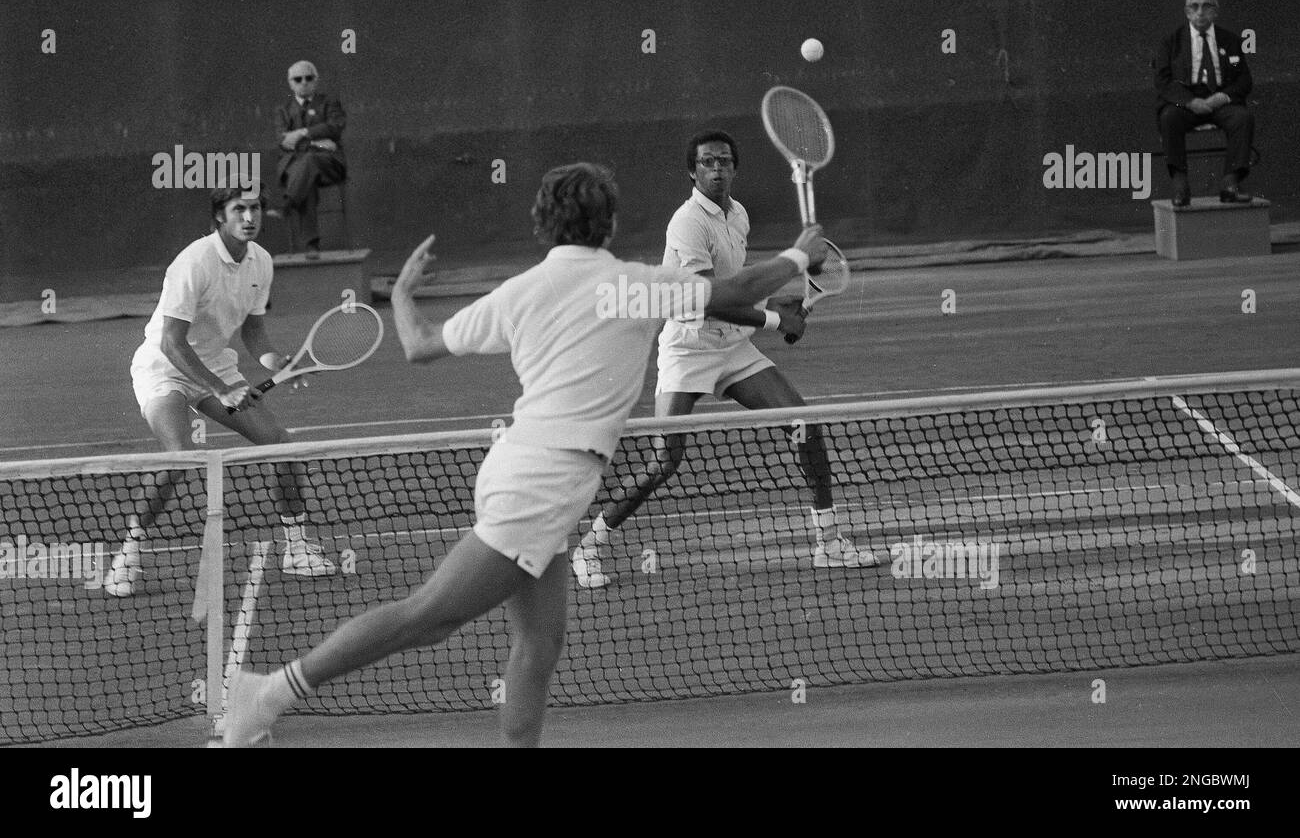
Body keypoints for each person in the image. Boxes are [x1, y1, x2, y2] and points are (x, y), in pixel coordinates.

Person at [222, 162, 827, 747]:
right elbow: (737, 289)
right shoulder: (636, 286)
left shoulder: (522, 290)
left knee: (539, 641)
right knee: (428, 617)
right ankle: (269, 693)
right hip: (544, 481)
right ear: (608, 224)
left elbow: (420, 346)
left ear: (543, 224)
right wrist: (799, 254)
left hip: (527, 469)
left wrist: (403, 293)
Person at [571, 130, 878, 589]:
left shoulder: (738, 216)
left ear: (735, 169)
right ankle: (590, 547)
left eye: (724, 162)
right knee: (664, 461)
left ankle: (828, 541)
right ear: (693, 171)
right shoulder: (686, 224)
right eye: (707, 162)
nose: (717, 169)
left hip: (732, 345)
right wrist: (775, 321)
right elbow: (708, 299)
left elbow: (737, 284)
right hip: (687, 347)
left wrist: (781, 303)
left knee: (804, 424)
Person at [104, 180, 335, 597]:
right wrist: (220, 390)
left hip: (214, 367)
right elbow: (172, 342)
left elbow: (255, 334)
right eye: (239, 210)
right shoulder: (192, 263)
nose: (249, 218)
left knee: (278, 443)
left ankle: (296, 548)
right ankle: (129, 551)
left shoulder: (261, 262)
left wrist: (280, 363)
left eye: (256, 209)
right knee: (179, 458)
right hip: (163, 368)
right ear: (220, 216)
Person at [1154, 0, 1255, 207]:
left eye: (1206, 6)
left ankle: (1230, 183)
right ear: (1187, 12)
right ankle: (1180, 184)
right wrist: (1189, 101)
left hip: (1219, 100)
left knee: (1242, 118)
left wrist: (1222, 97)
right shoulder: (1170, 43)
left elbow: (1244, 80)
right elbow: (1163, 81)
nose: (1200, 12)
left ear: (1216, 11)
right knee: (1169, 118)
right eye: (1194, 6)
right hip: (1186, 104)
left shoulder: (1231, 42)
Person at [273, 60, 347, 255]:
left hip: (329, 165)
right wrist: (317, 142)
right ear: (291, 83)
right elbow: (283, 141)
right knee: (306, 174)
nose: (303, 83)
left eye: (309, 78)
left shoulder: (329, 103)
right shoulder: (283, 110)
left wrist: (302, 133)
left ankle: (287, 205)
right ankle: (311, 246)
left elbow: (335, 127)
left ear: (316, 81)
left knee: (309, 162)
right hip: (297, 166)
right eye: (298, 79)